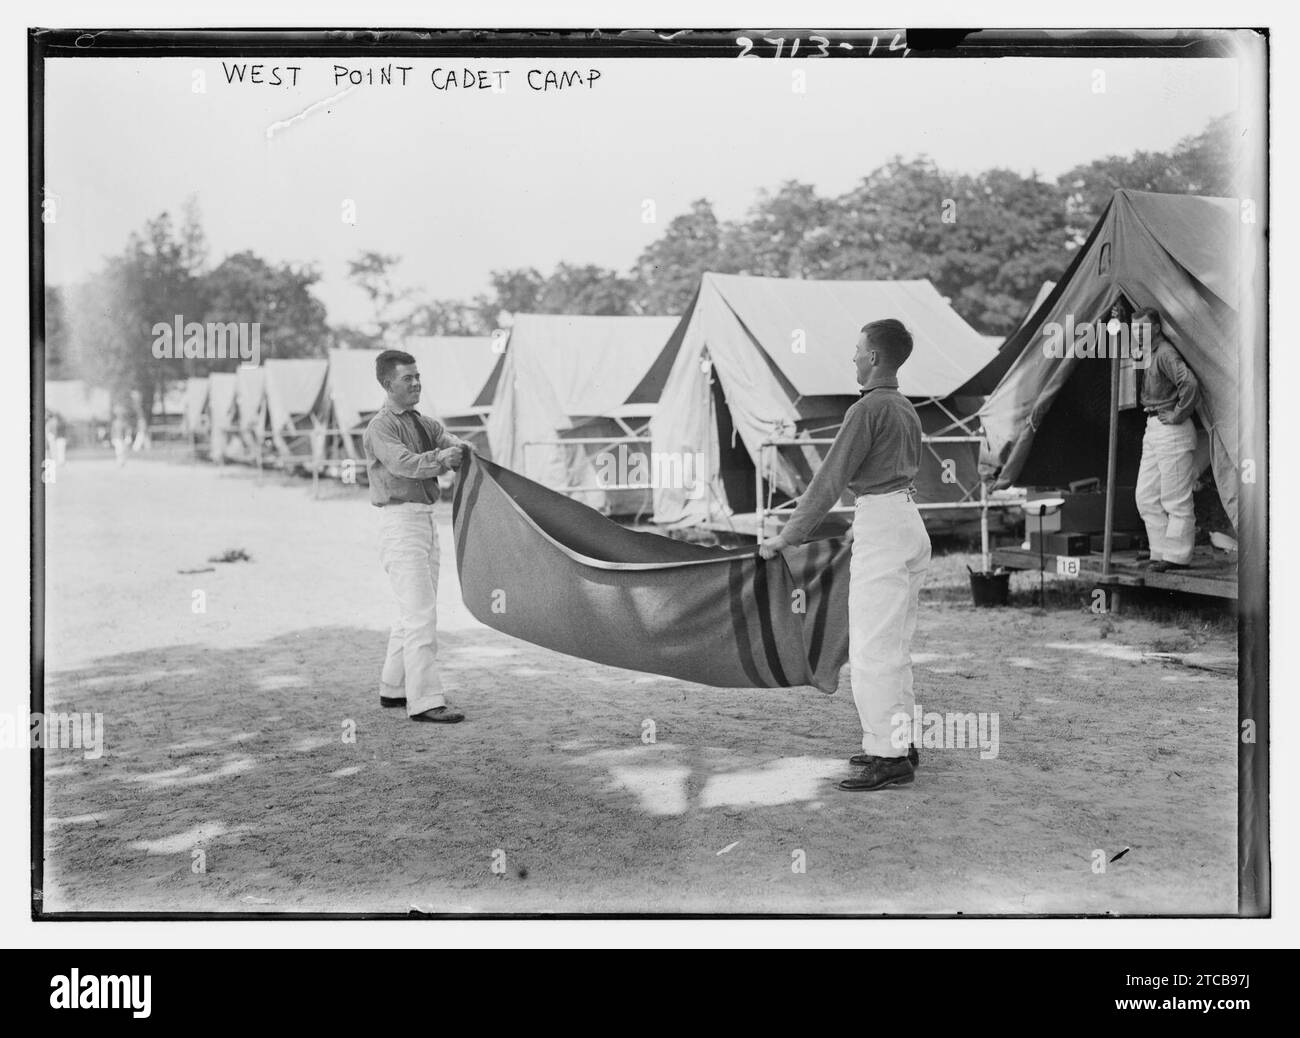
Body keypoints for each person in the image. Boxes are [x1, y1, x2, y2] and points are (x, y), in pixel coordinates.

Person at [760, 319, 930, 792]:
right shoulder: (905, 409)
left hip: (883, 525)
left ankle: (888, 756)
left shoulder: (867, 409)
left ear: (874, 358)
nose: (853, 358)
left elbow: (829, 480)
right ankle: (902, 742)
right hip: (907, 520)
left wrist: (787, 537)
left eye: (857, 350)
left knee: (873, 650)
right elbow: (891, 473)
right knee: (895, 648)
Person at [363, 349, 470, 724]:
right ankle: (424, 701)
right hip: (399, 521)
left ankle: (393, 688)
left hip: (424, 519)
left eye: (418, 376)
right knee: (421, 613)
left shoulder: (425, 423)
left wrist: (463, 452)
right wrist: (442, 460)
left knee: (410, 612)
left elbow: (452, 442)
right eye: (407, 378)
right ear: (387, 383)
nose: (416, 383)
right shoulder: (381, 427)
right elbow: (402, 463)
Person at [1133, 307, 1202, 572]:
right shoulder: (1150, 353)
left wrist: (1177, 414)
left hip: (1171, 428)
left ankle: (1176, 557)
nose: (1139, 333)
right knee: (1146, 496)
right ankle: (1160, 551)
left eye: (1143, 328)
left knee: (1175, 497)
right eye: (1135, 328)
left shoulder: (1165, 353)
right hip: (1153, 426)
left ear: (1157, 329)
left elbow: (1190, 384)